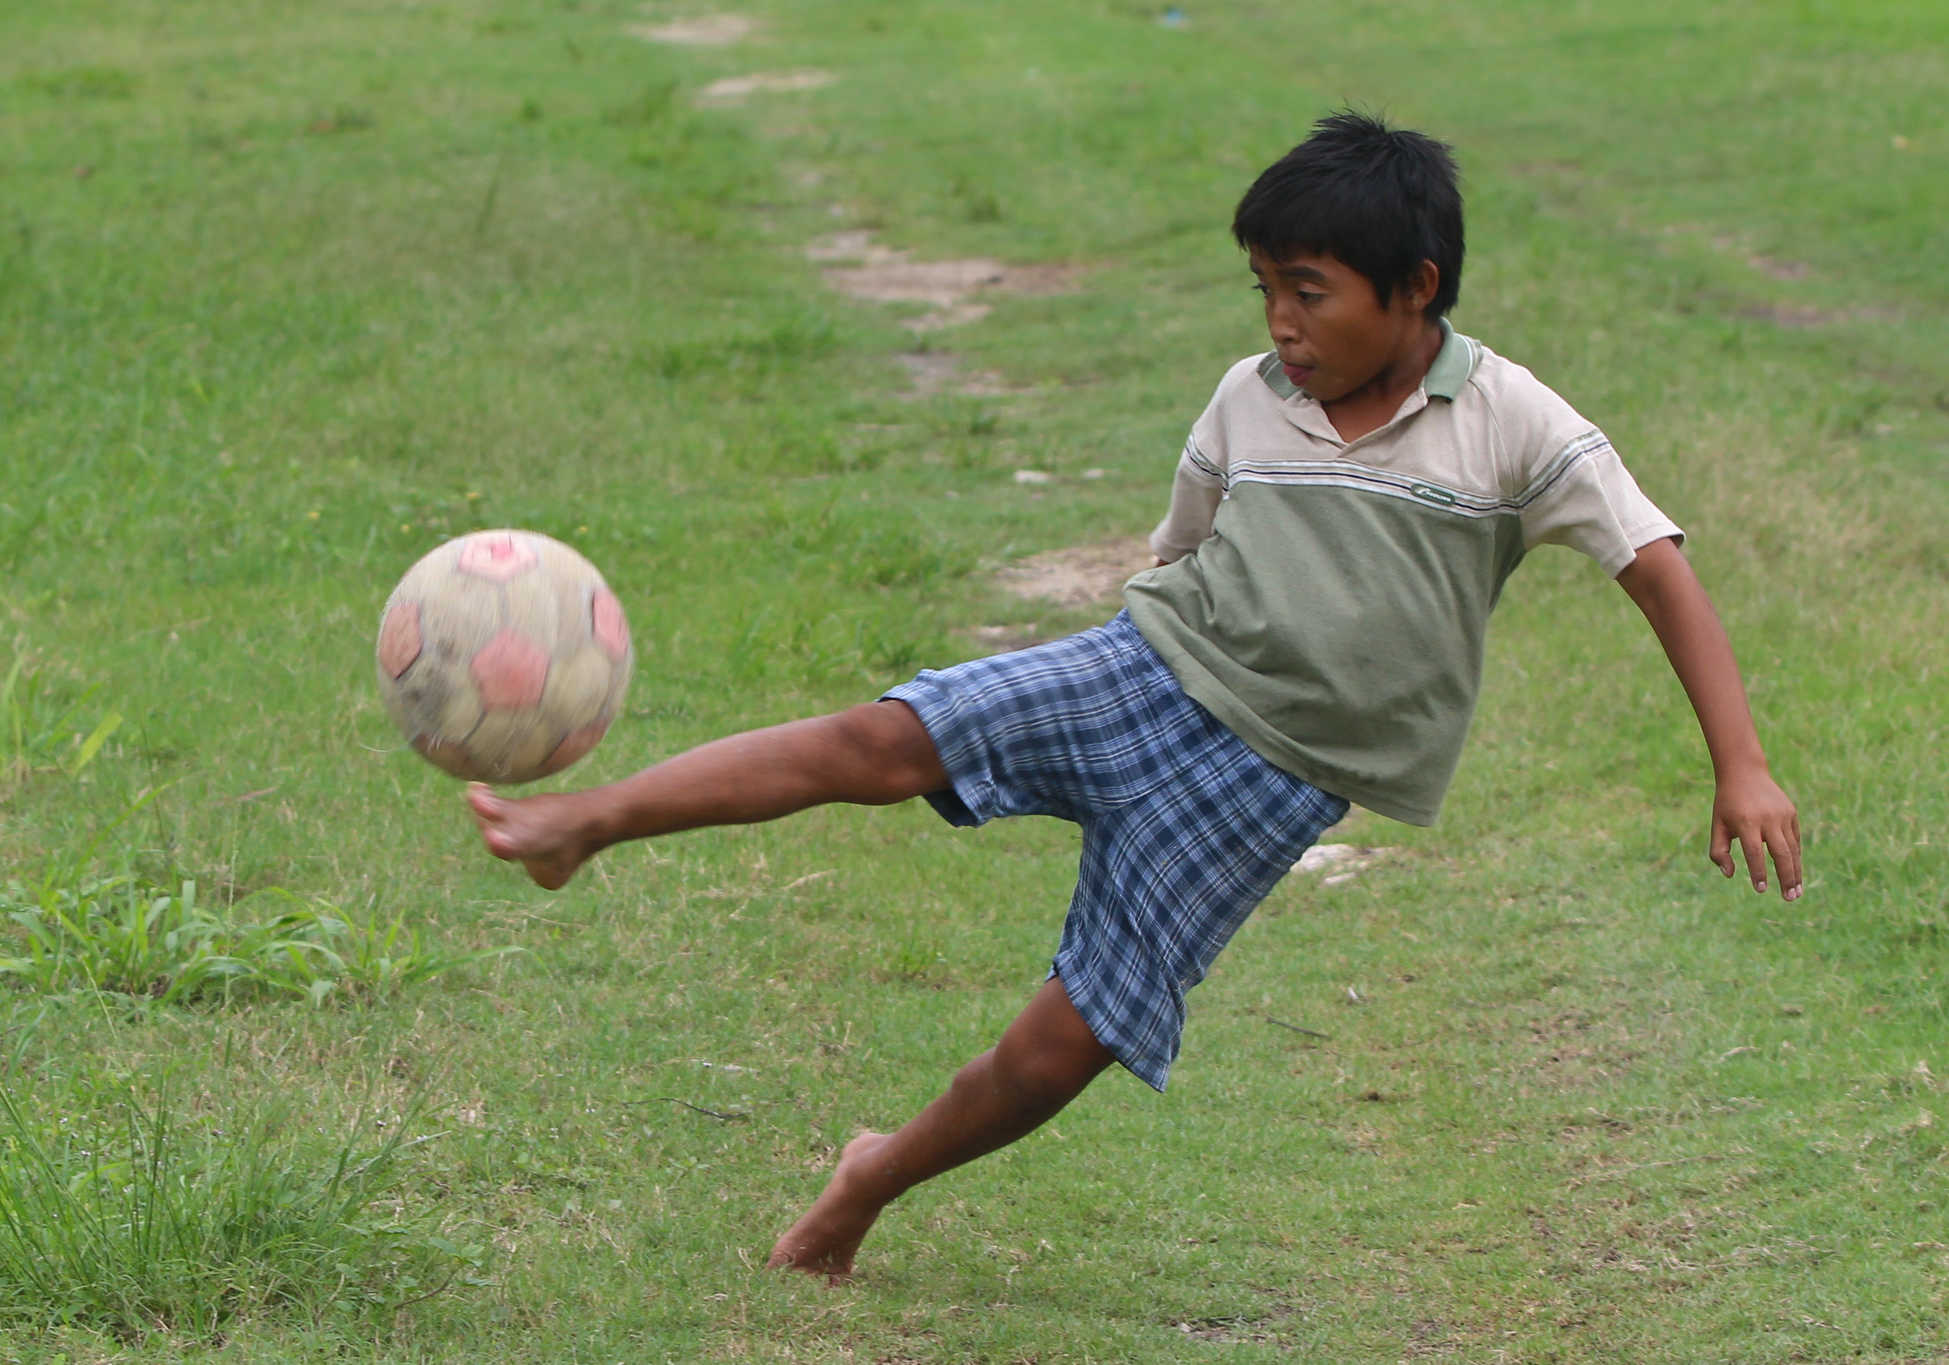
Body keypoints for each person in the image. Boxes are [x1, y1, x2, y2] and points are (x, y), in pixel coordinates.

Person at [465, 111, 1804, 1282]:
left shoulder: (1510, 419)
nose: (1281, 323)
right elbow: (1178, 554)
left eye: (1310, 292)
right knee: (888, 736)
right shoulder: (1251, 396)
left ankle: (867, 1179)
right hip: (1143, 671)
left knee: (1067, 1044)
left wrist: (1738, 762)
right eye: (1265, 290)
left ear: (1418, 289)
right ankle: (587, 819)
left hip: (1270, 779)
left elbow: (1656, 564)